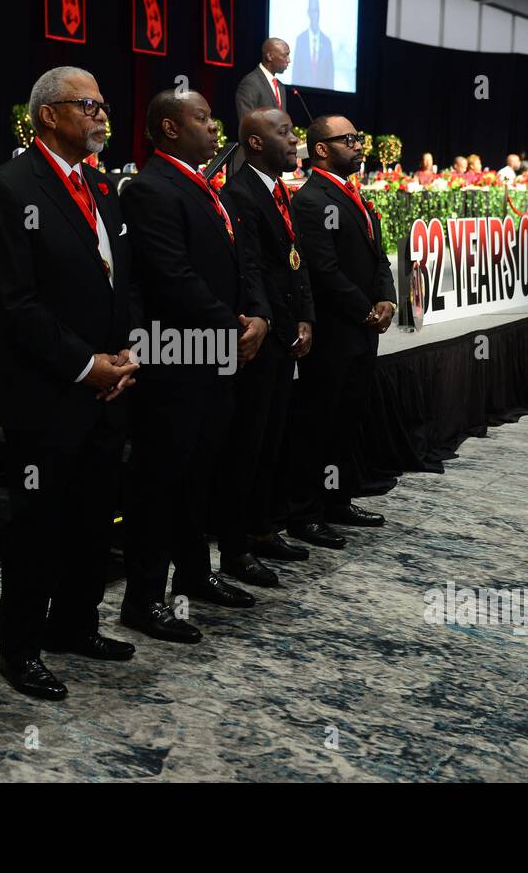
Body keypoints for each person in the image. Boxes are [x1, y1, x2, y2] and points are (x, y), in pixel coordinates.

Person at [0, 67, 138, 701]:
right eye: (88, 105)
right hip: (45, 393)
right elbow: (13, 303)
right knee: (38, 526)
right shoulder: (9, 188)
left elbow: (121, 278)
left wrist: (127, 351)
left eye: (101, 104)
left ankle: (75, 624)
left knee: (93, 519)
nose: (101, 116)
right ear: (49, 115)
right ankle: (21, 649)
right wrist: (84, 363)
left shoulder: (100, 183)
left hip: (106, 384)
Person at [120, 89, 270, 642]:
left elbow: (242, 263)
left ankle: (194, 577)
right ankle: (142, 598)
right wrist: (231, 324)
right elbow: (171, 276)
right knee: (160, 482)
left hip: (215, 356)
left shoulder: (207, 187)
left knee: (199, 476)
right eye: (202, 119)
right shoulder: (151, 188)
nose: (214, 128)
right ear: (167, 129)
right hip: (174, 358)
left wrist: (258, 316)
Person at [212, 107, 315, 587]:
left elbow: (296, 263)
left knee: (272, 439)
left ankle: (262, 528)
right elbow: (249, 270)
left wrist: (307, 319)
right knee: (246, 448)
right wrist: (274, 323)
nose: (295, 140)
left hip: (285, 335)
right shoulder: (239, 193)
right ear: (254, 143)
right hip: (260, 340)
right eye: (284, 132)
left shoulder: (278, 191)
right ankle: (234, 549)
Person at [285, 115, 396, 550]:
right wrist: (365, 310)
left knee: (347, 420)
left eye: (358, 136)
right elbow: (323, 270)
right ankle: (305, 514)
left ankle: (337, 499)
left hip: (364, 329)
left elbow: (378, 257)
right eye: (348, 139)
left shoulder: (355, 194)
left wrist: (386, 299)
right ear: (322, 150)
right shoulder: (311, 199)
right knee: (319, 423)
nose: (359, 146)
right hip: (334, 331)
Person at [235, 37, 291, 173]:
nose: (288, 60)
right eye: (285, 54)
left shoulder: (281, 87)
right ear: (270, 56)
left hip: (276, 161)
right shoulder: (251, 83)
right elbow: (246, 123)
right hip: (257, 162)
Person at [292, 0, 334, 90]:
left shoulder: (327, 43)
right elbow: (296, 74)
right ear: (308, 13)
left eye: (317, 10)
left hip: (325, 98)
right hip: (302, 96)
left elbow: (330, 78)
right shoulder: (300, 40)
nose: (315, 14)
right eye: (312, 10)